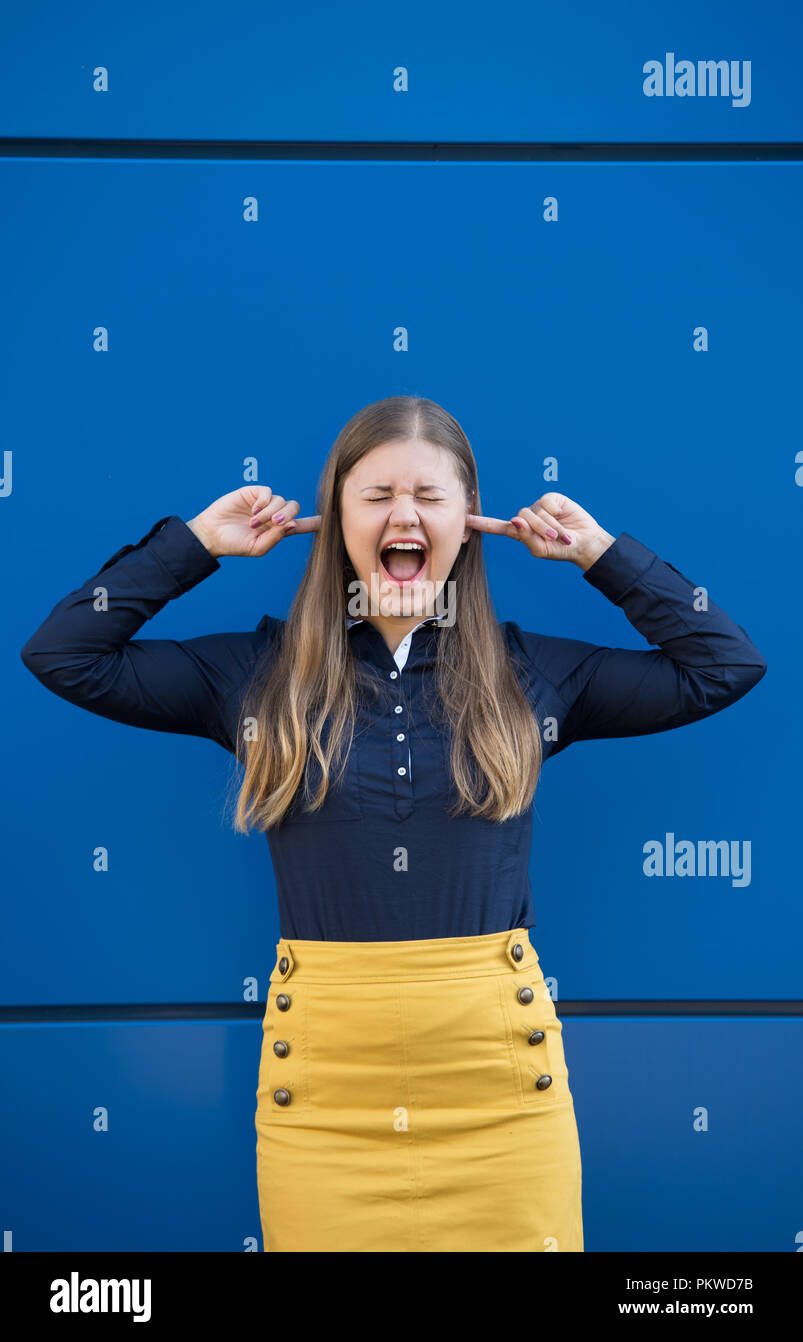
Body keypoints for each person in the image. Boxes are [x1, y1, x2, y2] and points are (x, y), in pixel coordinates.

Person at [20, 395, 767, 1253]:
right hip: (327, 1096)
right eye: (374, 496)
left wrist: (599, 556)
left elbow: (724, 666)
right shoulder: (253, 673)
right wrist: (193, 546)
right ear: (333, 518)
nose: (402, 515)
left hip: (498, 1087)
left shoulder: (533, 675)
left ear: (468, 522)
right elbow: (64, 654)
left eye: (429, 496)